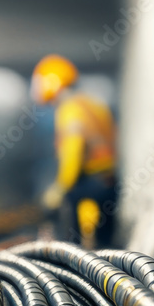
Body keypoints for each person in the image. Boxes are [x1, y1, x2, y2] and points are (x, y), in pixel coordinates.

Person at [33, 55, 117, 247]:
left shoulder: (69, 109)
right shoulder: (93, 104)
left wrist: (61, 188)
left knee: (74, 239)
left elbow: (73, 150)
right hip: (108, 180)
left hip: (90, 181)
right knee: (104, 245)